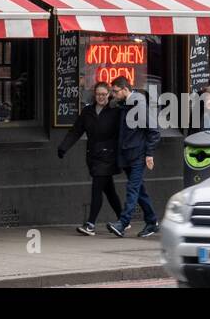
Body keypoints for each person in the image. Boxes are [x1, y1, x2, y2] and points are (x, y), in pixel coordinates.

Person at [58, 81, 122, 235]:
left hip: (108, 155)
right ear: (94, 94)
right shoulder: (88, 111)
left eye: (104, 94)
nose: (100, 97)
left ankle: (90, 224)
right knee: (109, 191)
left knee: (97, 188)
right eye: (98, 94)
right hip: (93, 155)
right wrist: (64, 147)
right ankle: (123, 219)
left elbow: (123, 133)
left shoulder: (116, 111)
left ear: (109, 95)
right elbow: (76, 131)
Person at [105, 76, 160, 239]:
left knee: (132, 189)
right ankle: (152, 221)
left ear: (125, 89)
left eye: (115, 92)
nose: (113, 95)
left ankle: (122, 223)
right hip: (128, 154)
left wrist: (149, 154)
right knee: (140, 191)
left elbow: (154, 131)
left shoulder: (138, 105)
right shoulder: (125, 104)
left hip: (138, 155)